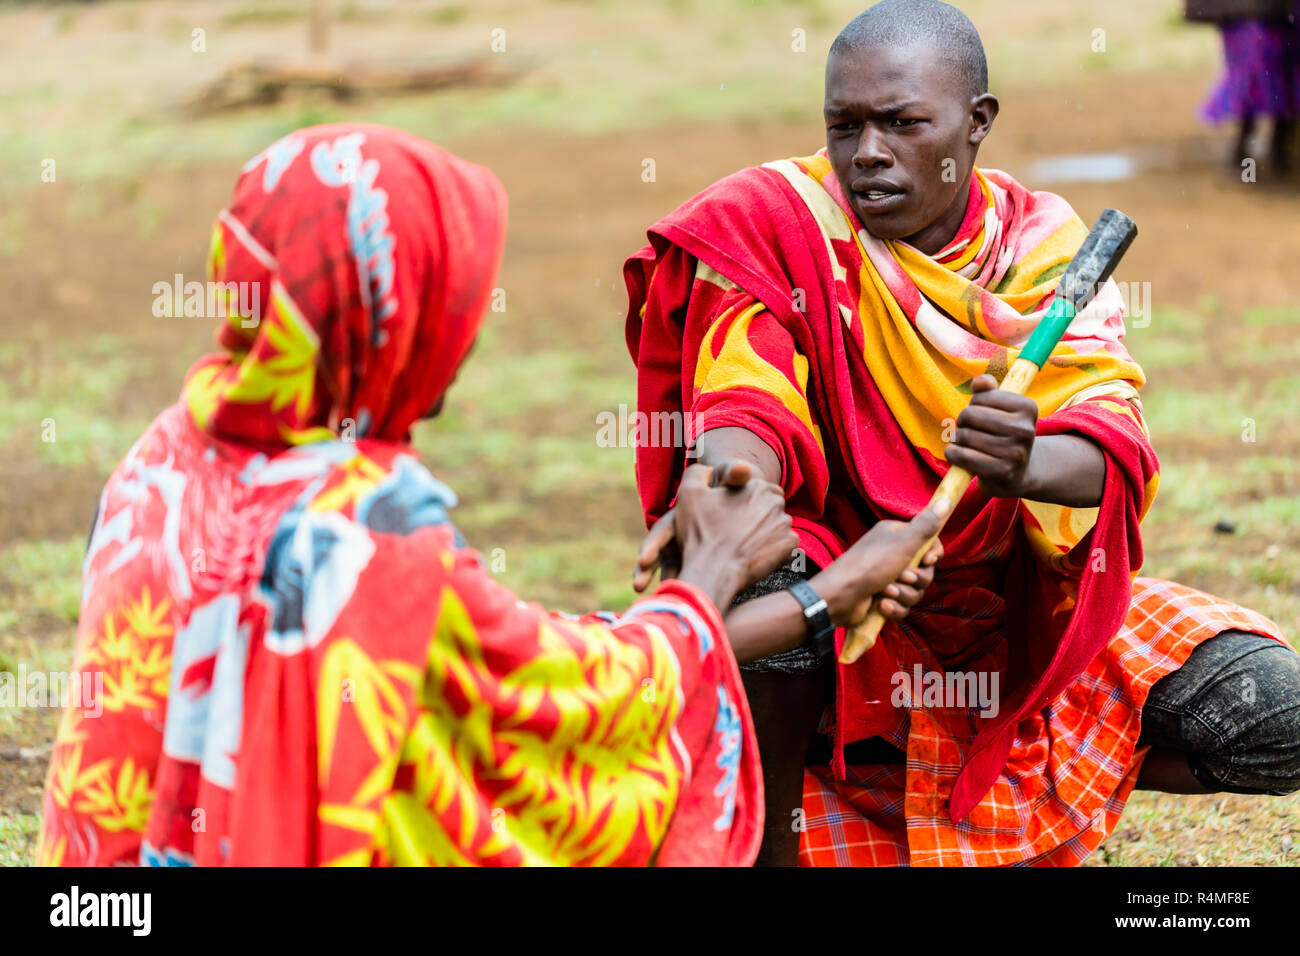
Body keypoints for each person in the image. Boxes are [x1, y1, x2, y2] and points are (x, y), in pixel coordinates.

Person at [38, 123, 945, 867]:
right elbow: (583, 702)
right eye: (449, 303)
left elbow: (492, 658)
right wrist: (773, 581)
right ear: (382, 320)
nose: (465, 341)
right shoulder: (370, 530)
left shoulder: (159, 467)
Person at [624, 0, 1300, 866]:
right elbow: (744, 409)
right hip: (843, 613)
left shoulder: (1042, 247)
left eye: (903, 124)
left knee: (1266, 714)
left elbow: (1110, 454)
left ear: (977, 123)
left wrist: (1022, 460)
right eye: (846, 126)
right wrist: (729, 489)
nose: (869, 153)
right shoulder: (773, 224)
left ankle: (1029, 795)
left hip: (1011, 617)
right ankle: (771, 842)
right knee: (762, 568)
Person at [1188, 0, 1298, 170]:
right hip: (1248, 12)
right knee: (1255, 72)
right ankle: (1248, 146)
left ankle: (1278, 148)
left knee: (1285, 73)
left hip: (1279, 14)